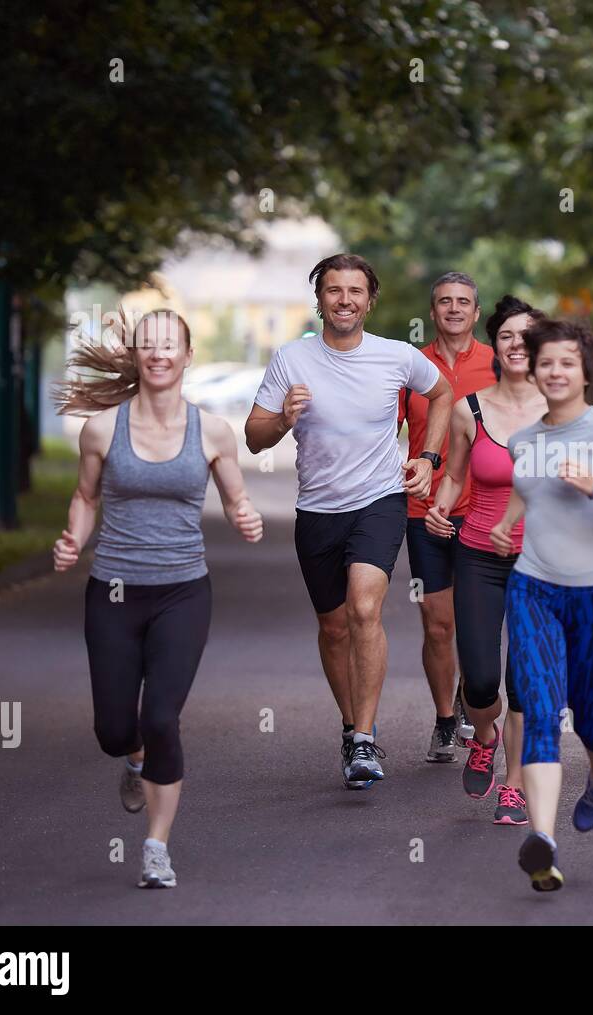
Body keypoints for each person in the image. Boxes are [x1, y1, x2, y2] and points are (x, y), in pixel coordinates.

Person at [52, 309, 264, 889]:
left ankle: (155, 847)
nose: (160, 353)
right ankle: (134, 757)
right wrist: (74, 536)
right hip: (115, 592)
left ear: (187, 355)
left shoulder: (213, 431)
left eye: (170, 345)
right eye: (149, 345)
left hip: (182, 592)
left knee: (162, 717)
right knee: (114, 730)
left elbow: (236, 497)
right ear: (137, 356)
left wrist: (244, 516)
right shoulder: (102, 429)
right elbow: (85, 496)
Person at [245, 254, 453, 789]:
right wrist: (284, 419)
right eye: (334, 290)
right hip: (317, 509)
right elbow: (254, 436)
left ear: (370, 299)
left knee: (364, 607)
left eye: (354, 291)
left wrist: (428, 458)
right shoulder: (292, 360)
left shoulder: (396, 357)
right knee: (333, 627)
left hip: (379, 501)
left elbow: (443, 393)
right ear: (319, 299)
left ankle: (364, 739)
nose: (344, 300)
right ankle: (349, 723)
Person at [490, 318, 593, 892]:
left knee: (588, 718)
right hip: (533, 588)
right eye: (545, 362)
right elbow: (525, 485)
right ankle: (543, 841)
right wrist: (509, 521)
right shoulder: (523, 441)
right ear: (532, 371)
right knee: (539, 710)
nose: (555, 371)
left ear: (586, 370)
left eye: (566, 362)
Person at [425, 295, 547, 825]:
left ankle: (515, 787)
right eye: (507, 336)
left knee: (522, 680)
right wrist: (439, 507)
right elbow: (454, 476)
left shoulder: (564, 411)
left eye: (527, 336)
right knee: (479, 681)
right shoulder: (467, 410)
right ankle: (483, 735)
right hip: (477, 554)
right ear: (493, 345)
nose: (517, 344)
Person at [398, 272, 496, 762]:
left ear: (476, 313)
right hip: (424, 511)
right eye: (444, 302)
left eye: (463, 302)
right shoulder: (410, 367)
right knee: (437, 624)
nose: (454, 309)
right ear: (432, 312)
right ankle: (443, 718)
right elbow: (383, 432)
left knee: (477, 620)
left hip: (484, 515)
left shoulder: (499, 366)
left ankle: (470, 697)